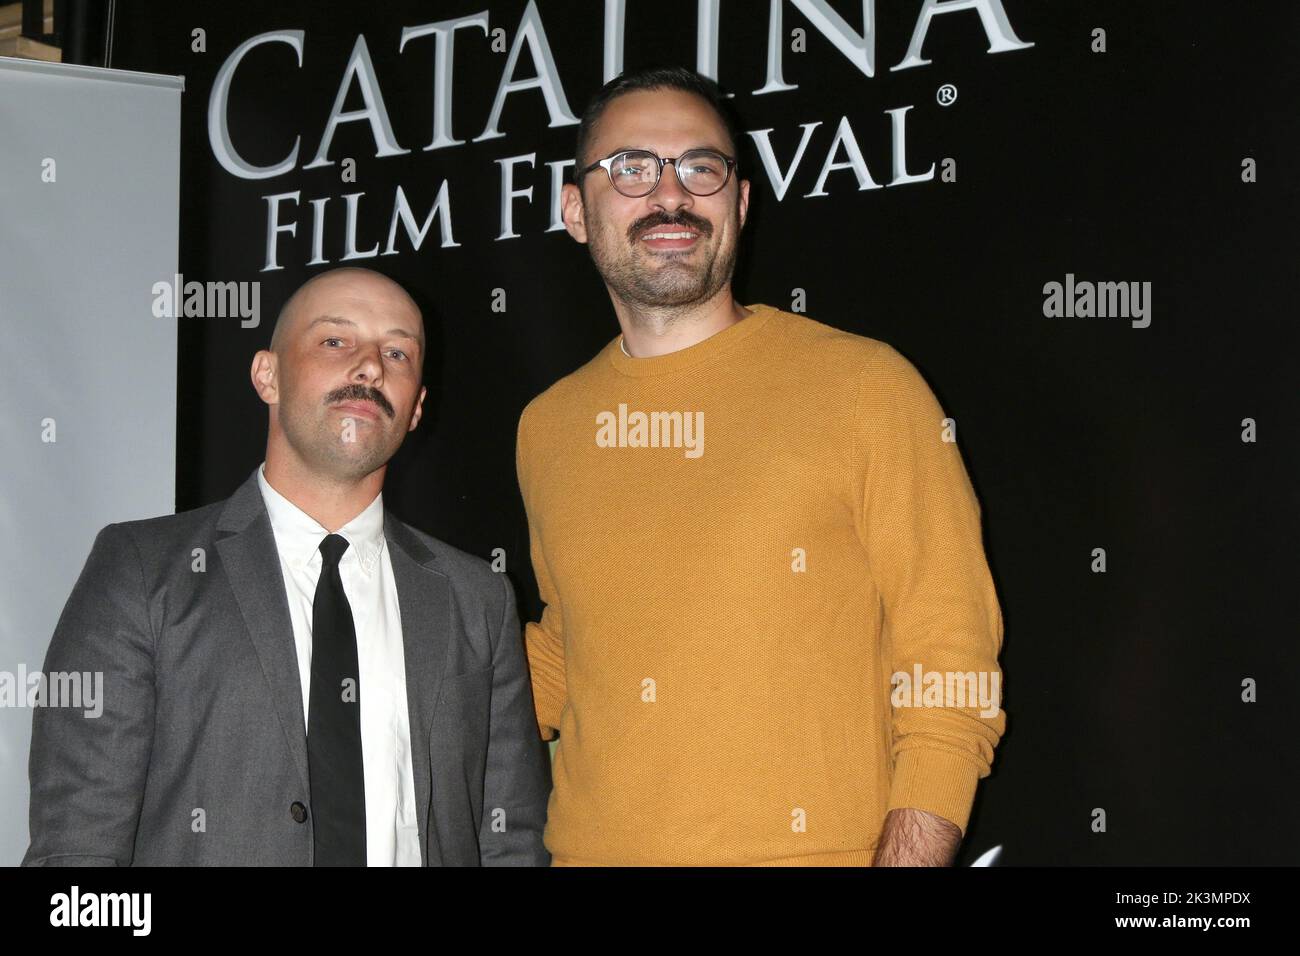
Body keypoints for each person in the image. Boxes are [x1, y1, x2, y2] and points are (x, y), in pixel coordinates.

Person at [516, 67, 1006, 866]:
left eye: (701, 167)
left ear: (739, 204)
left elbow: (951, 661)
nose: (670, 195)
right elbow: (573, 649)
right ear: (576, 209)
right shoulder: (548, 425)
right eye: (632, 167)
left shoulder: (866, 386)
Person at [24, 266, 550, 866]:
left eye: (398, 352)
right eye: (335, 341)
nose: (371, 366)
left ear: (417, 407)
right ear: (267, 375)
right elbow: (77, 849)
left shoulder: (477, 599)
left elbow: (512, 840)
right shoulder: (142, 570)